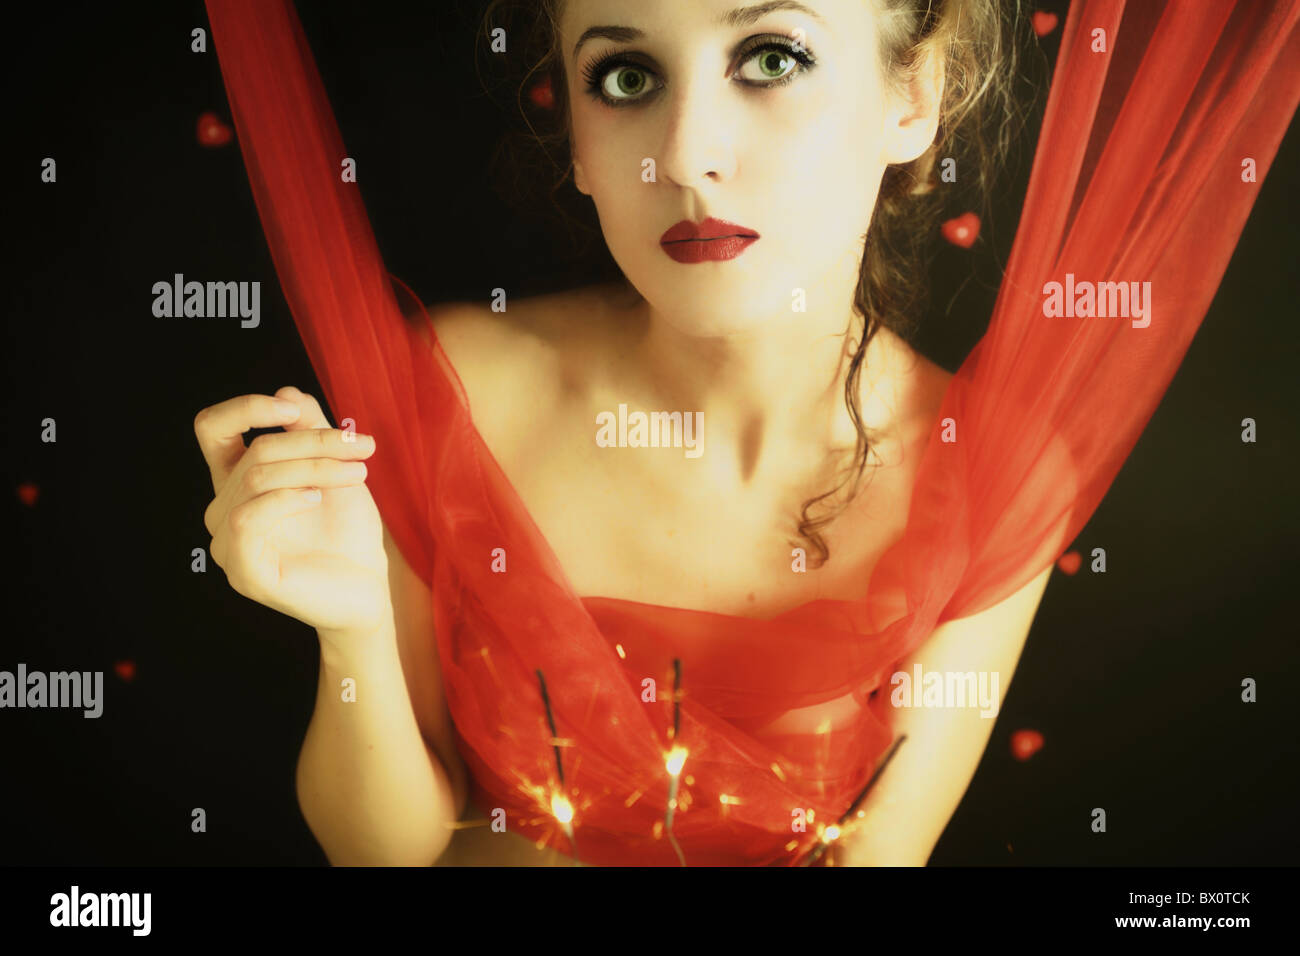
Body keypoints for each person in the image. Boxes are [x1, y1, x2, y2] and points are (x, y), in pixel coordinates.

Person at [196, 0, 1300, 864]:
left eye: (771, 57)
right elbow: (377, 850)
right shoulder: (444, 391)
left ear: (912, 95)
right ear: (576, 143)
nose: (683, 155)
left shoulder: (990, 477)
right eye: (625, 77)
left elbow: (882, 853)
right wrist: (346, 631)